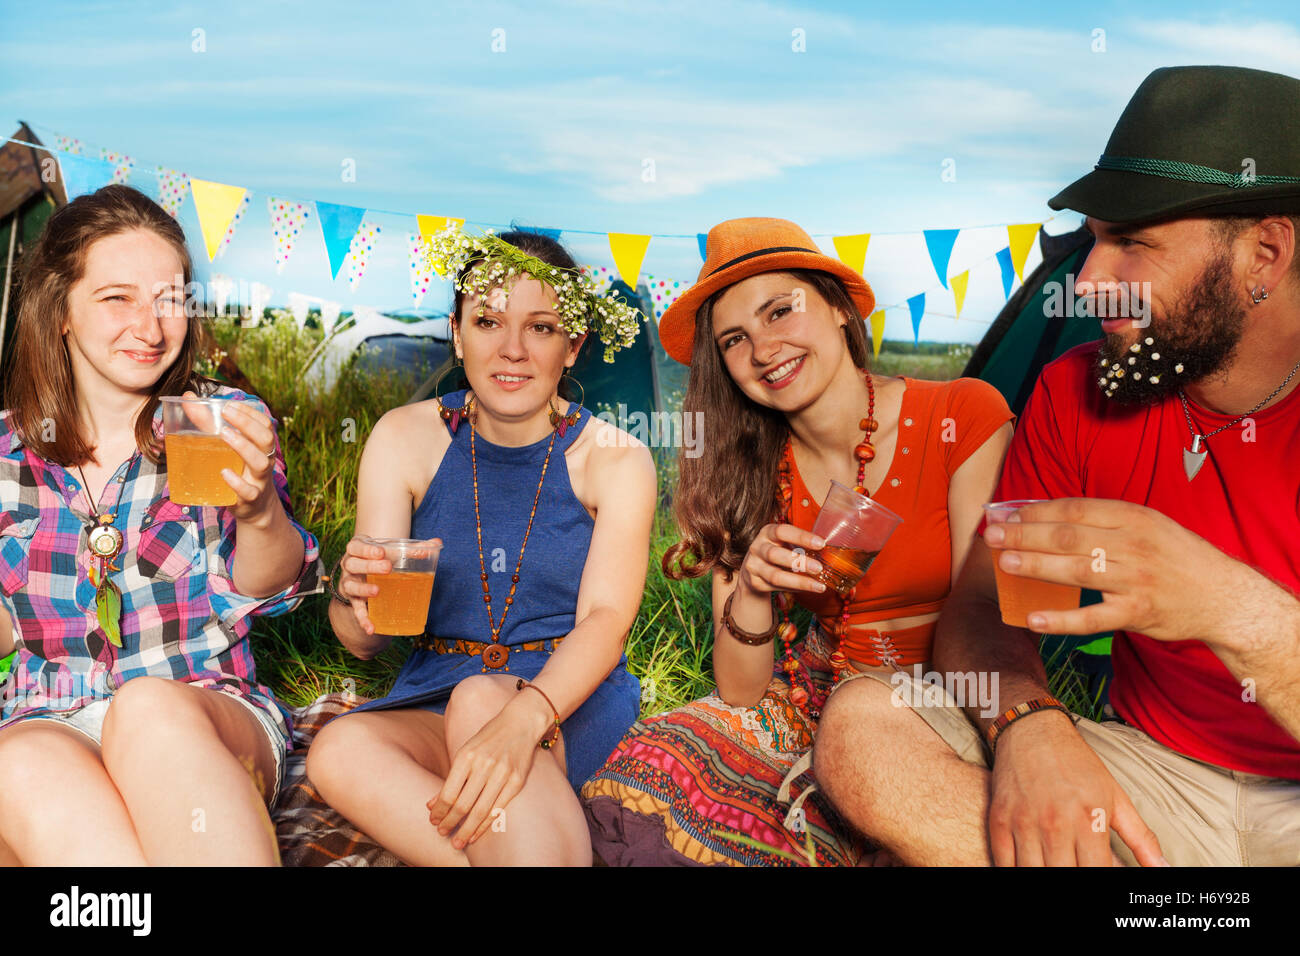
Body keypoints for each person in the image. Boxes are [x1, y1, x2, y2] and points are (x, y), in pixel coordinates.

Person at [812, 65, 1300, 867]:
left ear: (1265, 254)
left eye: (1132, 242)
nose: (1090, 281)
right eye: (1094, 239)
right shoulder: (1078, 393)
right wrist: (1029, 725)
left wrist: (1221, 602)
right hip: (1151, 774)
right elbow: (984, 608)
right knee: (864, 731)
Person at [581, 217, 1014, 865]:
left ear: (839, 308)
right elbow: (740, 690)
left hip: (952, 695)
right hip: (813, 692)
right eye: (734, 339)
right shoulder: (749, 467)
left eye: (781, 311)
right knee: (652, 765)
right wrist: (753, 588)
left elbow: (991, 617)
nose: (763, 349)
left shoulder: (962, 414)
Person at [306, 227, 655, 866]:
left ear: (573, 346)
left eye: (541, 328)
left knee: (479, 697)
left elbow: (606, 623)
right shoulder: (402, 437)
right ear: (457, 332)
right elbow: (366, 640)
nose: (512, 349)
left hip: (565, 698)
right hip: (438, 692)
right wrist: (351, 599)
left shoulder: (616, 458)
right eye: (488, 321)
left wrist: (523, 719)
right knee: (338, 750)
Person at [0, 183, 323, 866]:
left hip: (200, 706)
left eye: (170, 298)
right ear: (60, 311)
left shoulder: (221, 421)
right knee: (17, 762)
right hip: (49, 712)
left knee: (147, 708)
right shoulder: (5, 450)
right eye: (117, 298)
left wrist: (259, 510)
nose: (150, 328)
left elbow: (271, 588)